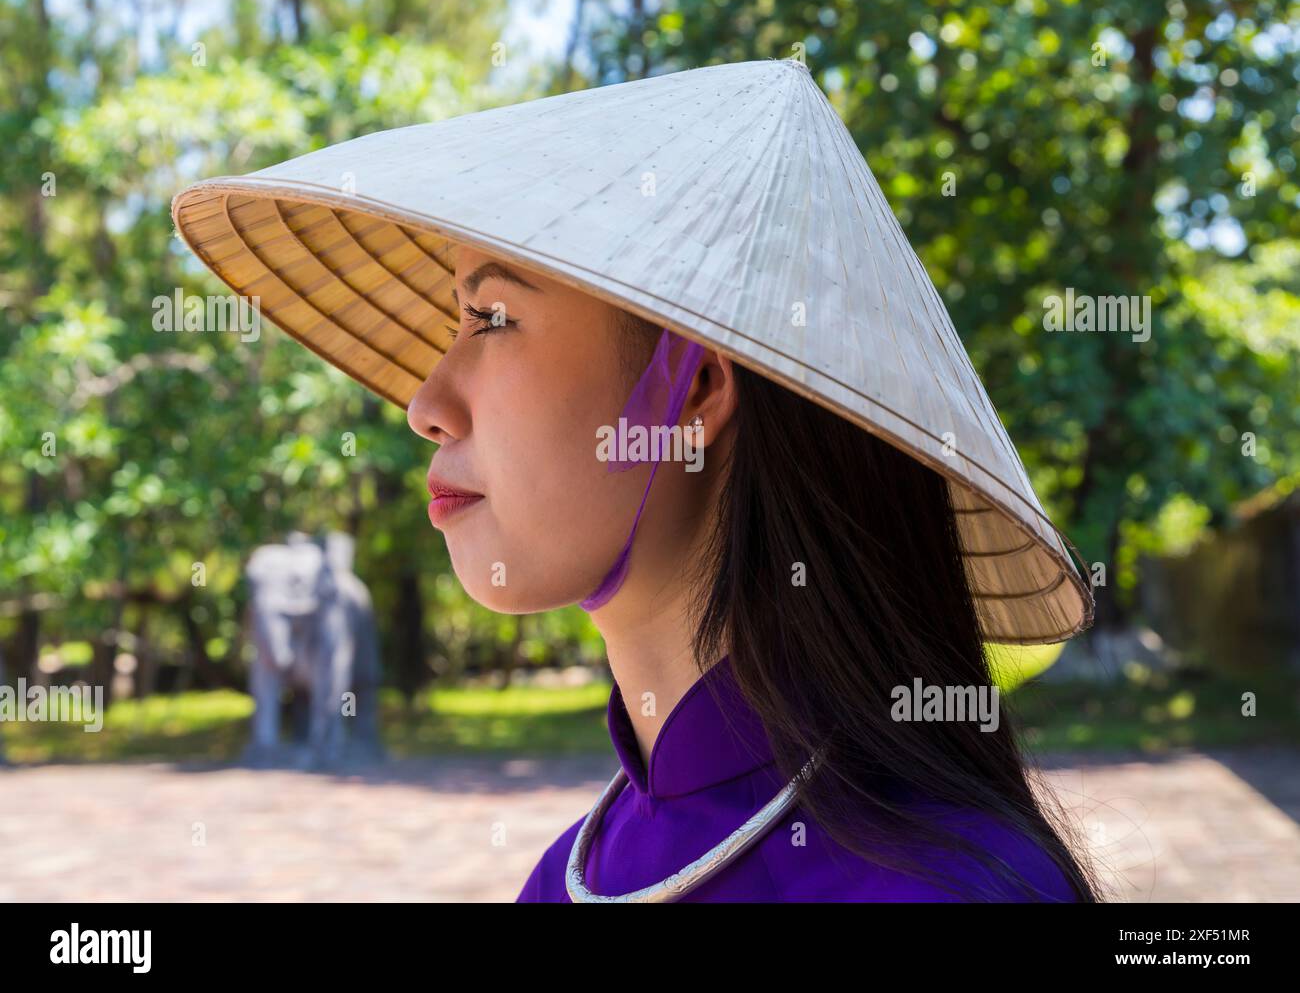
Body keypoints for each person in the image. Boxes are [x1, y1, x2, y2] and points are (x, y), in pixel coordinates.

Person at [172, 57, 1101, 902]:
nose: (425, 402)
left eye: (490, 318)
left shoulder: (943, 890)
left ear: (692, 390)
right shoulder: (568, 875)